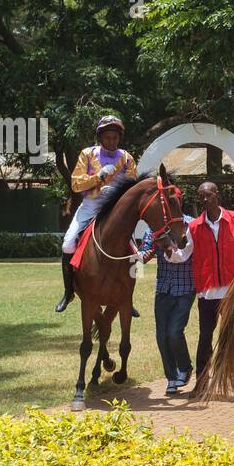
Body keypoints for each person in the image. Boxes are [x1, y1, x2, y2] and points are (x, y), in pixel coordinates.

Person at [165, 181, 234, 404]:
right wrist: (169, 253)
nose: (204, 200)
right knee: (205, 338)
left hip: (230, 291)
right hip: (207, 293)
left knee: (232, 337)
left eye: (208, 195)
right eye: (200, 196)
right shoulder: (194, 226)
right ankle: (202, 382)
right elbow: (184, 254)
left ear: (217, 195)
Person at [55, 115, 137, 313]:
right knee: (68, 243)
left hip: (115, 208)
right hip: (91, 204)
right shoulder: (87, 154)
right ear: (101, 137)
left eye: (115, 138)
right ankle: (68, 292)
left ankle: (129, 297)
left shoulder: (126, 158)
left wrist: (117, 189)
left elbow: (133, 185)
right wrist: (98, 177)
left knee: (135, 252)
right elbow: (76, 183)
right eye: (108, 137)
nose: (112, 141)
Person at [139, 213, 196, 396]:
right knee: (162, 335)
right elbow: (142, 254)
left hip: (185, 287)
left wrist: (167, 247)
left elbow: (185, 254)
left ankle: (185, 368)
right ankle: (171, 378)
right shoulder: (153, 228)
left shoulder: (190, 225)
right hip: (163, 288)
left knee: (174, 332)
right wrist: (144, 255)